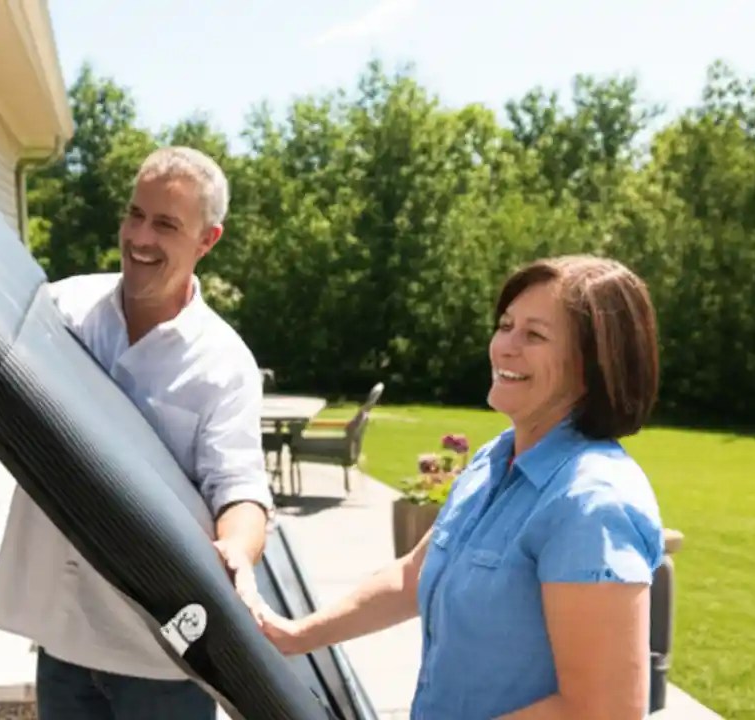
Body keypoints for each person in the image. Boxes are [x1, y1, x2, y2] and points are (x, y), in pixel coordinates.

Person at [0, 146, 273, 719]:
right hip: (64, 644)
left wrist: (235, 550)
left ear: (208, 240)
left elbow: (241, 490)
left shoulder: (222, 364)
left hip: (161, 660)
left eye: (165, 224)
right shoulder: (61, 310)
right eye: (135, 214)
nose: (140, 237)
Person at [258, 255, 665, 720]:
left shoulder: (591, 503)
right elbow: (412, 577)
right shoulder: (495, 460)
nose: (504, 347)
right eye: (505, 325)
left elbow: (602, 712)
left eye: (534, 335)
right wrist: (296, 635)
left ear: (595, 364)